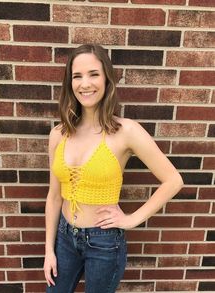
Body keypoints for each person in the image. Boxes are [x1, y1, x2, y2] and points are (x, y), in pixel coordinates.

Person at [43, 44, 183, 293]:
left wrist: (131, 219)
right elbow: (54, 197)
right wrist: (48, 251)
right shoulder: (58, 134)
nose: (85, 84)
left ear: (107, 78)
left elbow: (173, 180)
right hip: (64, 237)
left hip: (104, 242)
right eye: (77, 76)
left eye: (93, 74)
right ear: (70, 82)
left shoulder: (125, 131)